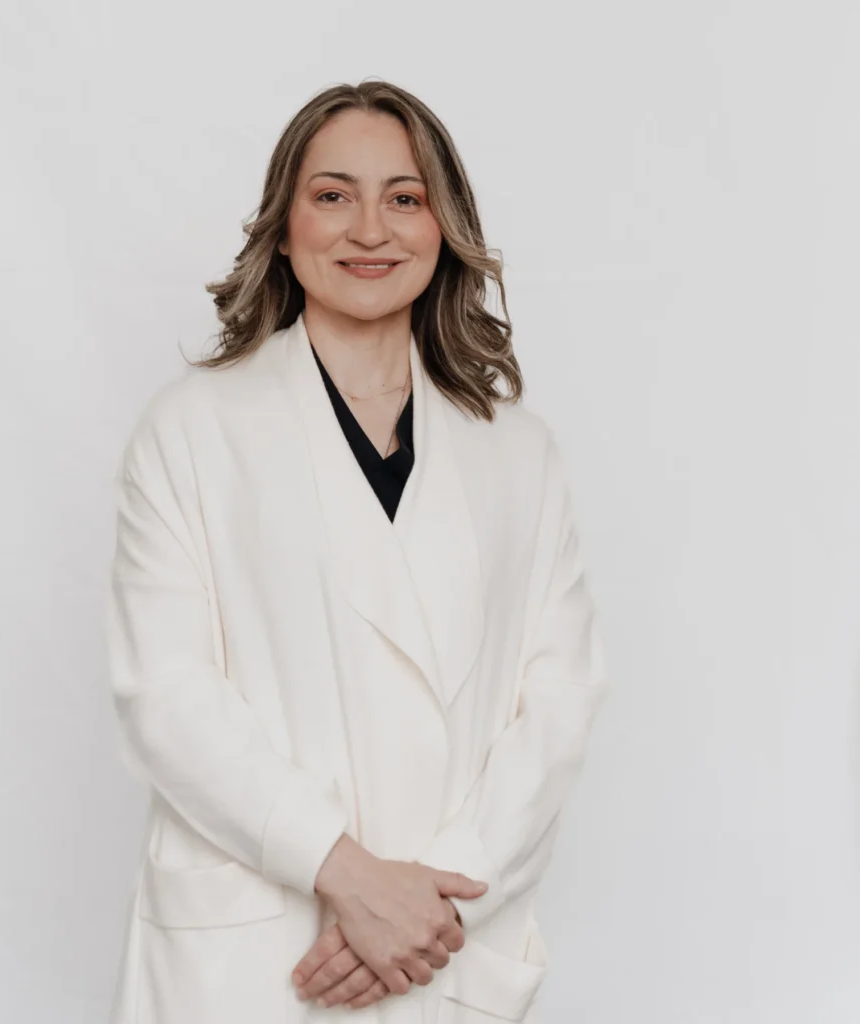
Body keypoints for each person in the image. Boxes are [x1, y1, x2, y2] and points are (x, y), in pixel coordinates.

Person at [104, 79, 609, 1024]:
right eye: (332, 195)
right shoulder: (191, 430)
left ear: (442, 227)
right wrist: (345, 873)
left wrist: (425, 905)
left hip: (445, 944)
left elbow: (558, 702)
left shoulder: (517, 451)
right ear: (283, 229)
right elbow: (163, 696)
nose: (369, 230)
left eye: (404, 198)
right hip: (257, 944)